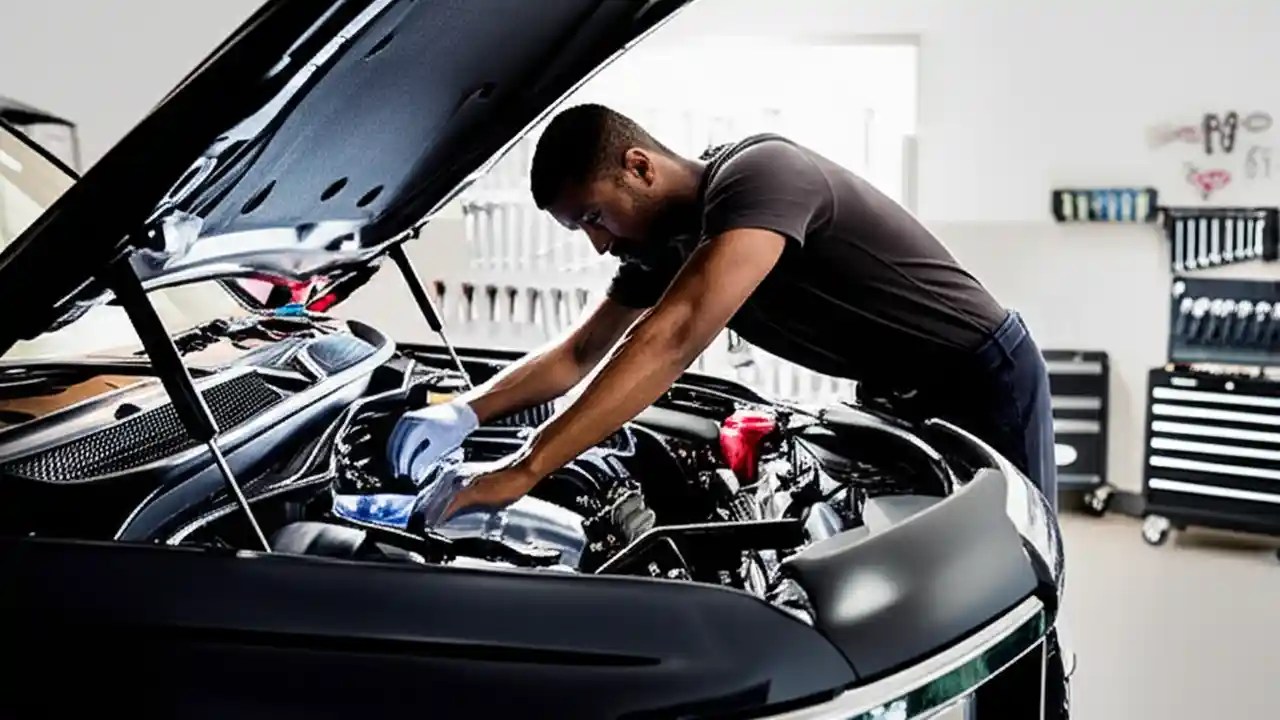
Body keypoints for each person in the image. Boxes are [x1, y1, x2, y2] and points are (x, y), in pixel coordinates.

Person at [386, 103, 1057, 526]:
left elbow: (672, 338)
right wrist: (464, 412)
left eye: (594, 216)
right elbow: (577, 355)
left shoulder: (762, 174)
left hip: (984, 375)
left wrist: (526, 468)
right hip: (892, 395)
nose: (596, 242)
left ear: (639, 166)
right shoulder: (661, 245)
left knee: (1014, 571)